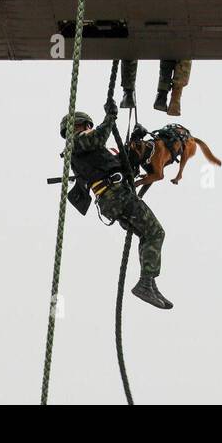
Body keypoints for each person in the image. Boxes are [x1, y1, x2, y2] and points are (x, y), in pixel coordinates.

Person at [60, 100, 172, 310]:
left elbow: (124, 164)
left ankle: (148, 282)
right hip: (116, 195)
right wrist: (110, 117)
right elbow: (99, 135)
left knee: (149, 235)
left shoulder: (91, 152)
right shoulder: (76, 143)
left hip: (113, 197)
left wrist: (136, 143)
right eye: (86, 126)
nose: (88, 129)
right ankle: (146, 283)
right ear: (78, 126)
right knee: (156, 232)